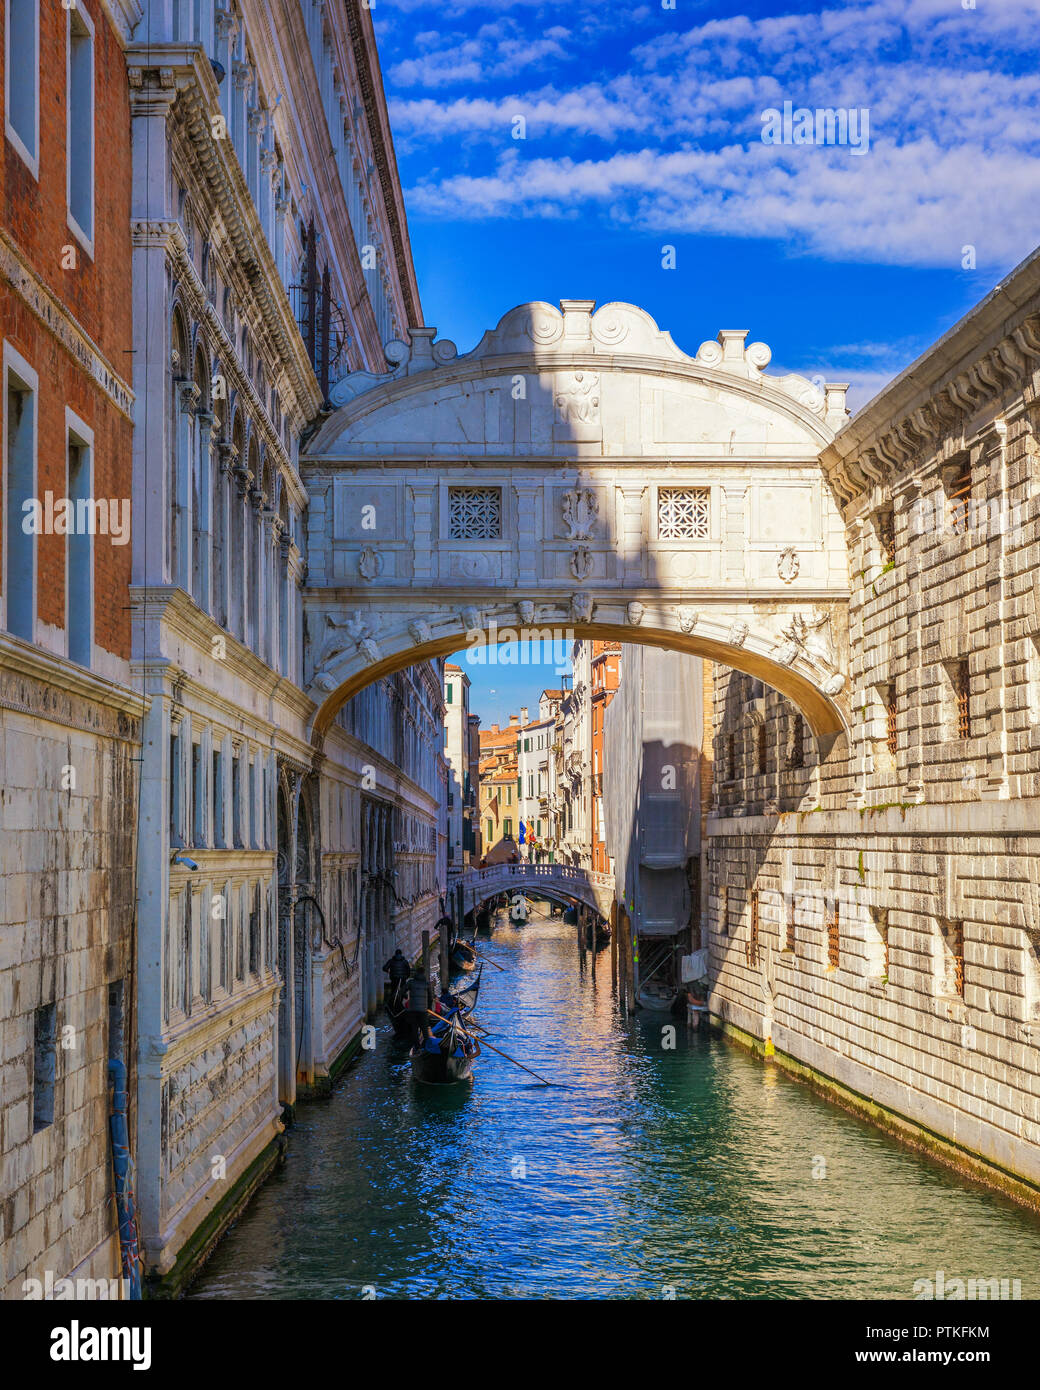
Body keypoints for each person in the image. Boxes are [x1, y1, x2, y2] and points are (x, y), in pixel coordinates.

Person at [405, 966, 431, 1046]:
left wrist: (405, 996)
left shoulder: (410, 982)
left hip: (412, 1010)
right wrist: (428, 1008)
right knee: (424, 1030)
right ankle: (427, 1047)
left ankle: (416, 1047)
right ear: (423, 973)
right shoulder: (427, 984)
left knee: (414, 1030)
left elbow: (402, 991)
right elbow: (430, 998)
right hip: (423, 1011)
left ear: (416, 973)